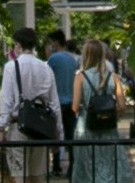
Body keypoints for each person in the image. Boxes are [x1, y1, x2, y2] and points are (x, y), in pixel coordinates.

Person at [0, 24, 64, 181]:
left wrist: (1, 128)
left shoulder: (11, 67)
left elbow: (7, 101)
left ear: (18, 45)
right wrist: (58, 133)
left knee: (20, 176)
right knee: (38, 176)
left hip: (18, 126)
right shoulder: (46, 68)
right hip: (40, 128)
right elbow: (54, 103)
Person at [72, 35, 130, 183]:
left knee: (87, 168)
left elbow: (74, 107)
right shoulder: (113, 77)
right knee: (109, 165)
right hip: (108, 129)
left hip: (86, 128)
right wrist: (109, 114)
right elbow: (122, 105)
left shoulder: (80, 77)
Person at [45, 28, 80, 173]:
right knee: (70, 134)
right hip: (70, 101)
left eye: (50, 43)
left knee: (56, 134)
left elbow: (47, 77)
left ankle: (56, 166)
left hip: (56, 102)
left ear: (55, 42)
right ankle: (73, 166)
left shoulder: (53, 59)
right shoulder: (72, 59)